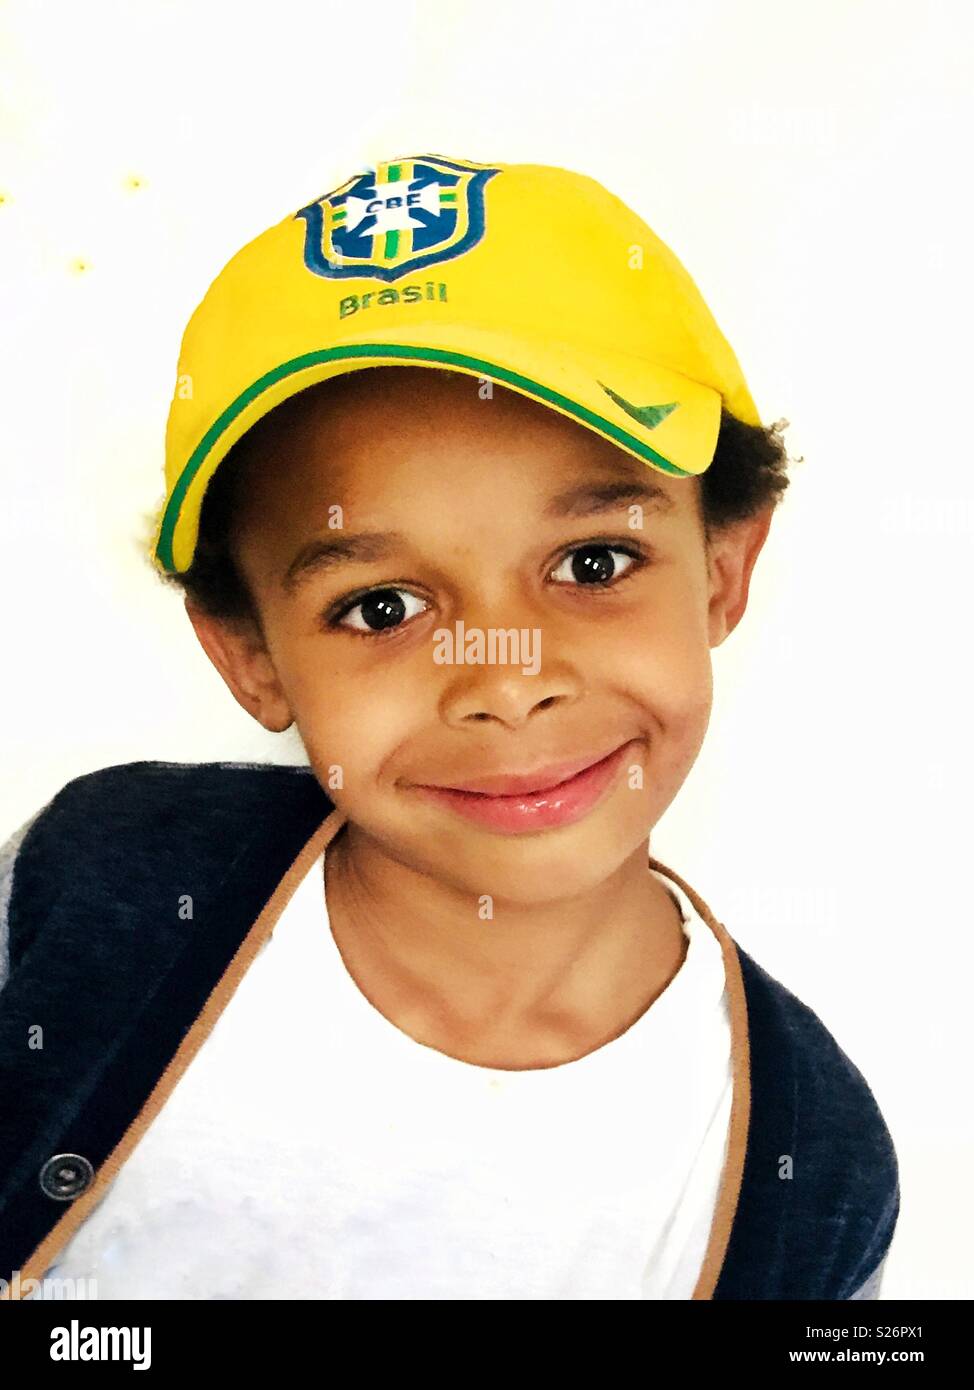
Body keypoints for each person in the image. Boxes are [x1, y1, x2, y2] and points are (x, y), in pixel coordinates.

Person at [0, 153, 898, 1301]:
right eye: (380, 607)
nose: (505, 678)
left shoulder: (801, 1160)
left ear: (723, 569)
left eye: (592, 561)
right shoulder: (102, 876)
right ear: (249, 656)